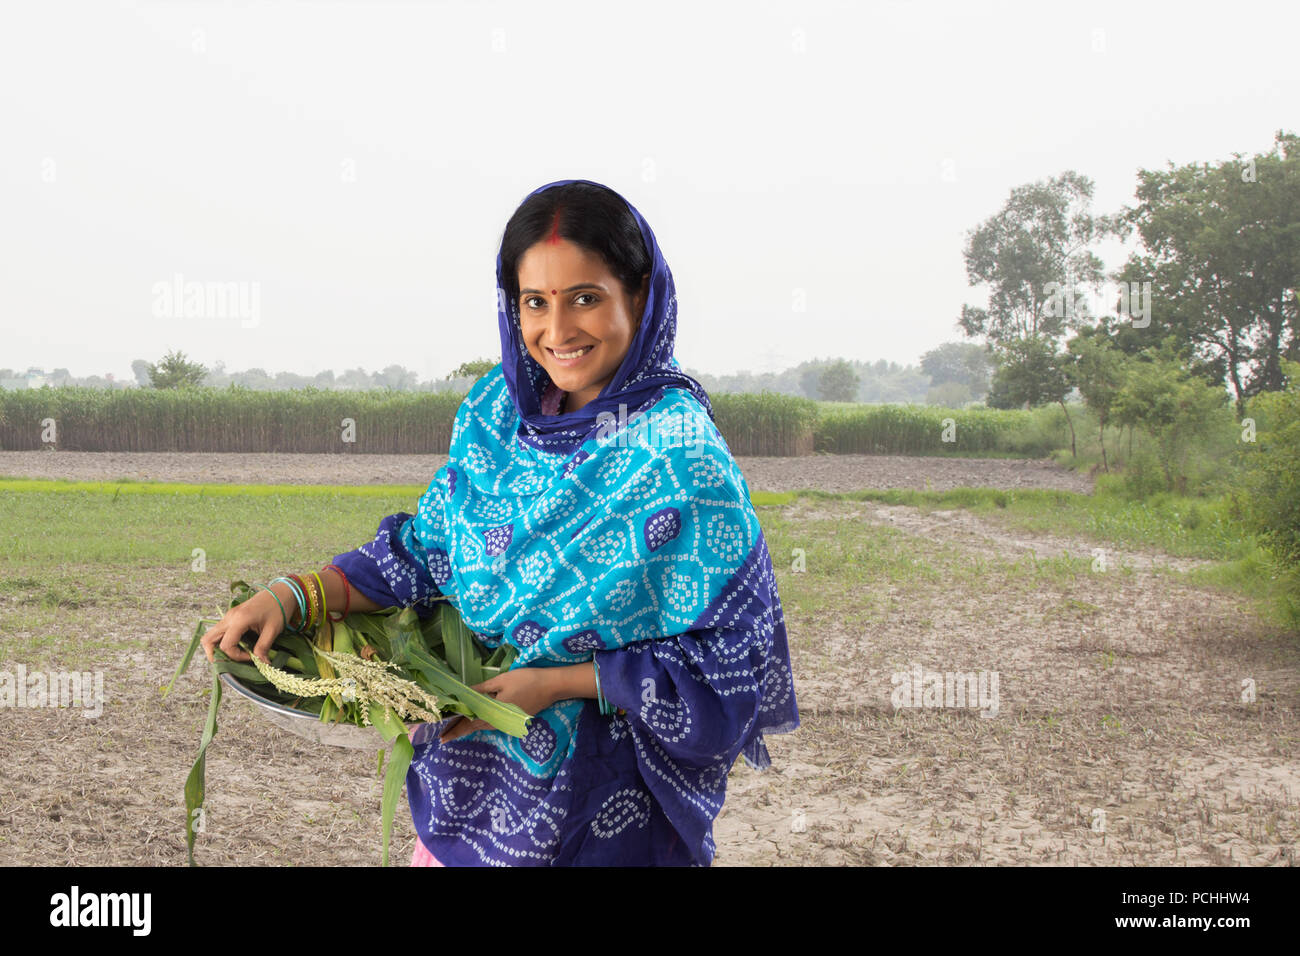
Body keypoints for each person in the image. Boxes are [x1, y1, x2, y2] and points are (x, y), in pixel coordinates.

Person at [201, 179, 799, 866]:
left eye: (585, 299)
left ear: (638, 293)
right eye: (535, 303)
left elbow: (732, 670)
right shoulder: (495, 413)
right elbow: (424, 556)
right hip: (468, 800)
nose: (558, 330)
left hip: (606, 820)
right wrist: (291, 596)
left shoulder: (681, 453)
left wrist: (559, 682)